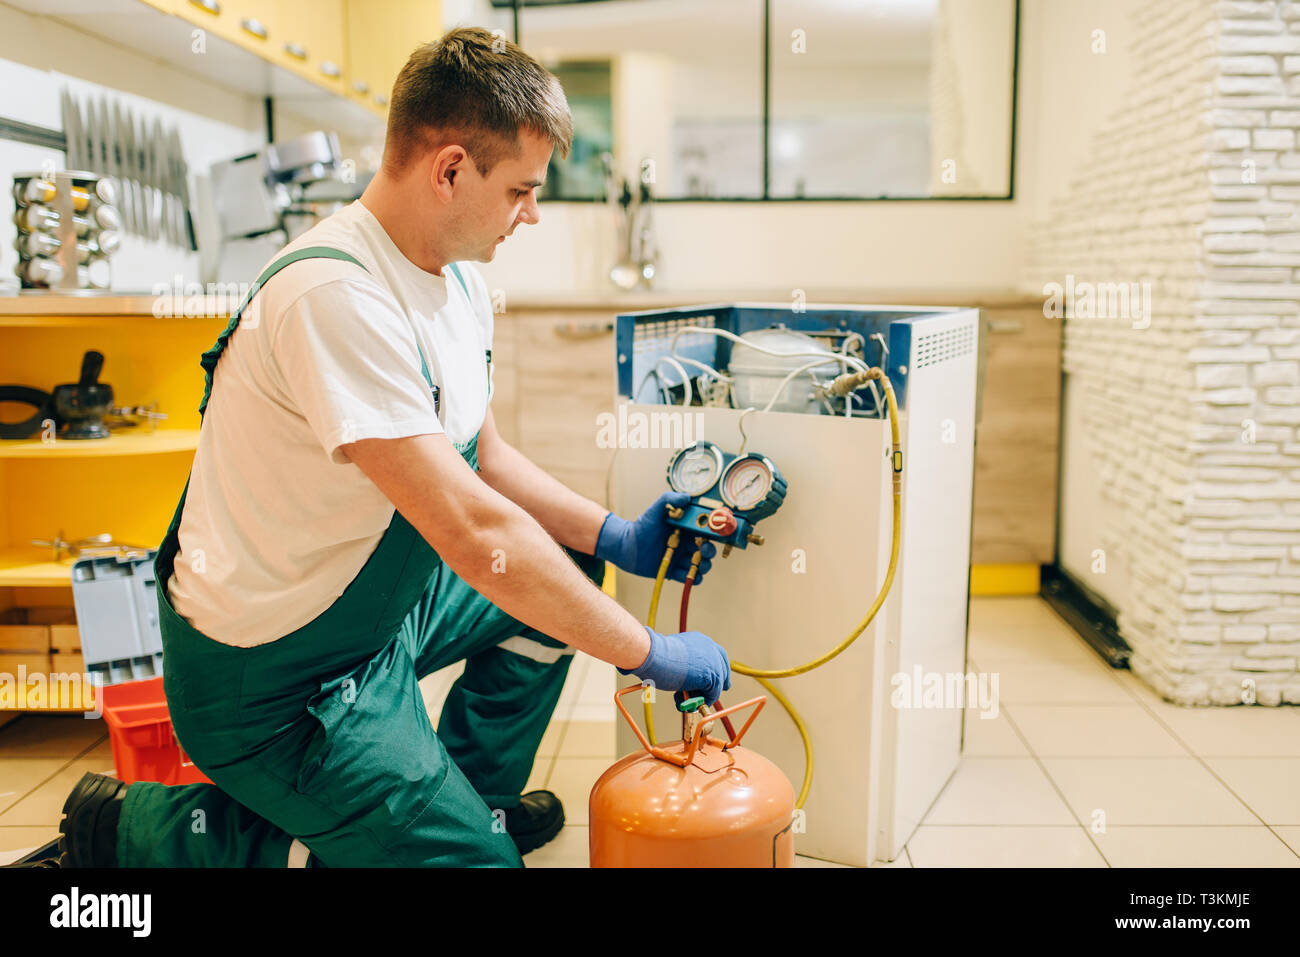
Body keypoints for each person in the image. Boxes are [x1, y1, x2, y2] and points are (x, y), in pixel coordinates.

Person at [55, 27, 728, 868]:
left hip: (374, 612)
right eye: (521, 190)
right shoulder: (334, 295)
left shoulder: (458, 276)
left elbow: (483, 459)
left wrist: (613, 535)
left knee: (563, 570)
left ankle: (469, 806)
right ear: (449, 170)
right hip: (275, 680)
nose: (533, 213)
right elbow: (480, 537)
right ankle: (133, 835)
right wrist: (649, 650)